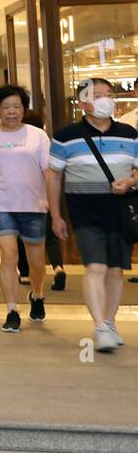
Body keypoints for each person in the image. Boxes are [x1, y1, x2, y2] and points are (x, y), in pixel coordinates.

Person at [47, 78, 138, 353]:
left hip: (121, 212)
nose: (105, 99)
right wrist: (56, 215)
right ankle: (99, 326)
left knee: (114, 271)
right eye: (97, 95)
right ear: (82, 101)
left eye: (109, 94)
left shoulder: (129, 133)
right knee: (95, 267)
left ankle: (110, 322)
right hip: (84, 213)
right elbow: (53, 176)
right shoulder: (65, 136)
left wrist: (130, 183)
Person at [0, 84, 52, 332]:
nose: (12, 112)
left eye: (16, 107)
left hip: (34, 205)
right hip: (1, 204)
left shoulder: (38, 136)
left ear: (24, 109)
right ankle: (11, 310)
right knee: (9, 255)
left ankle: (37, 295)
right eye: (6, 107)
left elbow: (49, 173)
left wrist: (52, 203)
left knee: (37, 262)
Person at [19, 109, 66, 291]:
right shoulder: (46, 141)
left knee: (22, 236)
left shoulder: (21, 144)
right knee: (51, 237)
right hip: (46, 195)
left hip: (24, 198)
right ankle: (58, 268)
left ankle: (24, 273)